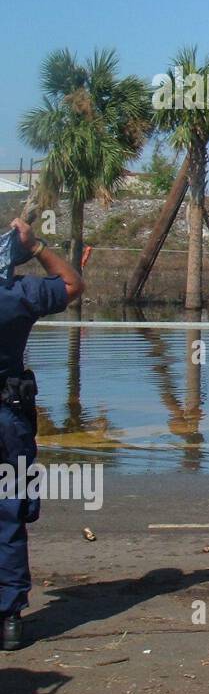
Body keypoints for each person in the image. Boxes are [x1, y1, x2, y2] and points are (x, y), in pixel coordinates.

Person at [1, 218, 83, 650]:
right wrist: (36, 247)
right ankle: (10, 617)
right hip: (7, 422)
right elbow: (71, 284)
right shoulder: (18, 296)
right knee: (9, 512)